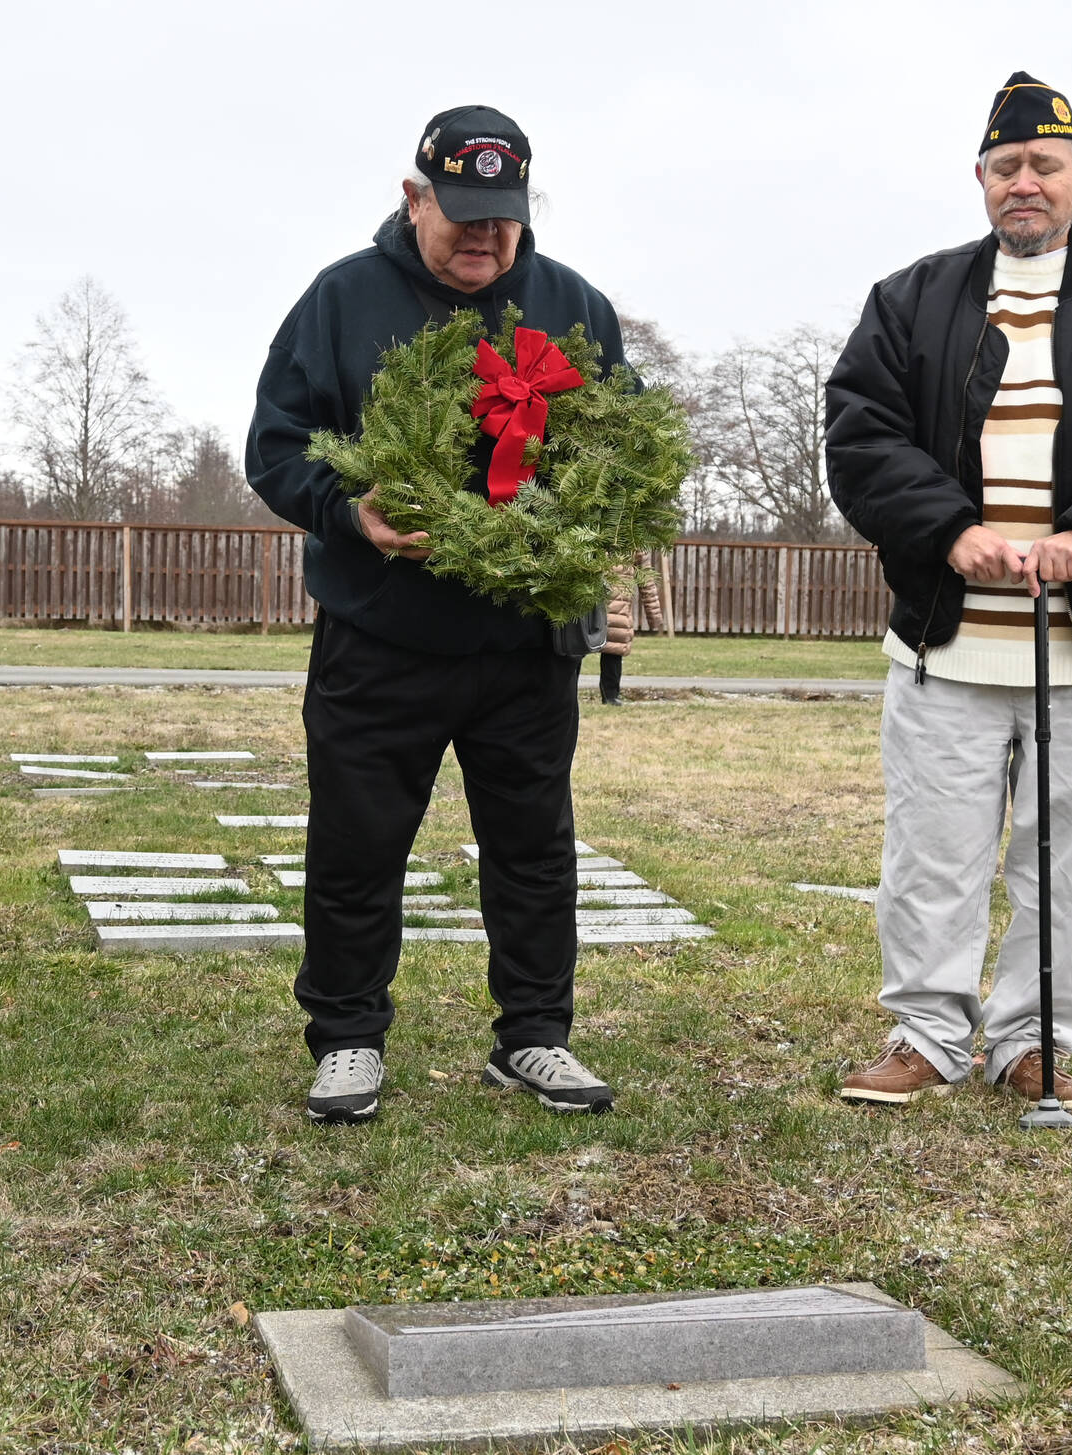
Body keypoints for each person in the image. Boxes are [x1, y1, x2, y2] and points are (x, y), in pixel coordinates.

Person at [824, 73, 1072, 1110]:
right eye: (1005, 166)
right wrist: (949, 530)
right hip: (946, 637)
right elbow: (861, 438)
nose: (1024, 183)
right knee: (933, 850)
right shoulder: (908, 299)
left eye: (1044, 165)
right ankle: (927, 1035)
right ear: (979, 178)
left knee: (1070, 854)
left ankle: (1034, 1040)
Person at [247, 105, 629, 1122]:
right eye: (463, 214)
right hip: (381, 637)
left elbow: (619, 447)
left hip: (524, 642)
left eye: (502, 218)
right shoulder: (341, 299)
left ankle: (534, 1035)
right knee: (357, 844)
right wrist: (349, 512)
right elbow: (275, 449)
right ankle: (346, 1038)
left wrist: (590, 539)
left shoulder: (571, 305)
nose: (484, 237)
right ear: (413, 197)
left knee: (534, 849)